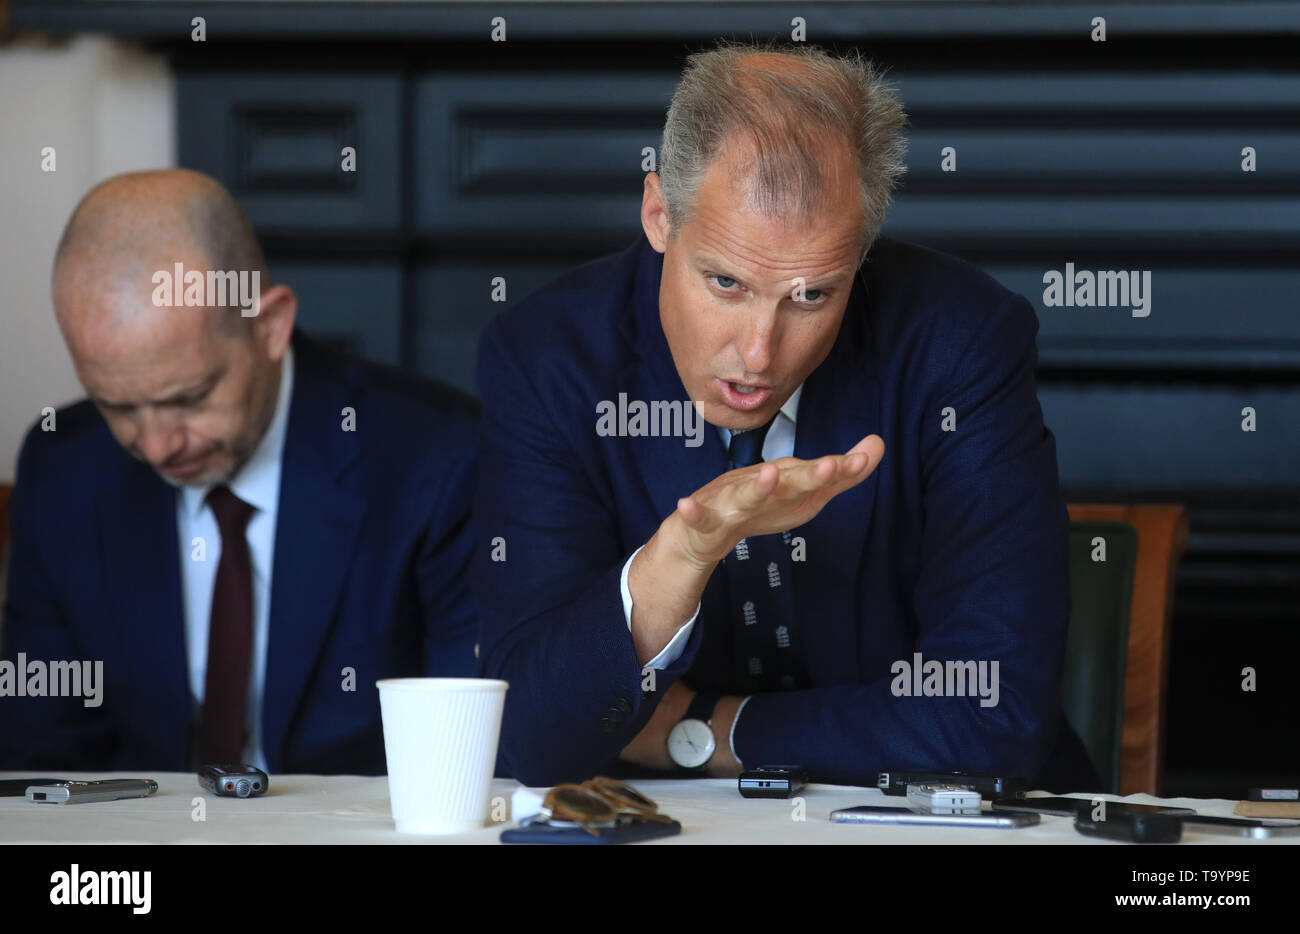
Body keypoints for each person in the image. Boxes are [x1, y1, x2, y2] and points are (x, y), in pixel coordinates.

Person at [473, 43, 1100, 790]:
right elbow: (530, 736)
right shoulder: (549, 359)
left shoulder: (962, 343)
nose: (760, 352)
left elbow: (995, 717)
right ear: (658, 215)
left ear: (860, 255)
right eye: (726, 281)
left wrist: (709, 729)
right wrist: (680, 556)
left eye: (812, 295)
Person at [0, 169, 478, 773]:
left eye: (189, 397)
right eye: (115, 405)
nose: (155, 446)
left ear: (270, 325)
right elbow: (39, 757)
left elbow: (467, 752)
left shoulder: (435, 459)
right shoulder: (63, 468)